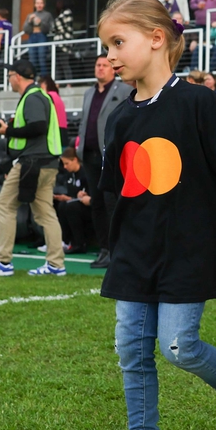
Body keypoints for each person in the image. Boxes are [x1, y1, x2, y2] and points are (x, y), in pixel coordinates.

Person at [86, 0, 216, 430]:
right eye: (106, 46)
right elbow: (117, 191)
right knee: (131, 349)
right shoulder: (120, 117)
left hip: (188, 250)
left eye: (118, 42)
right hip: (133, 254)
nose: (110, 56)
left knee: (179, 347)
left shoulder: (197, 101)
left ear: (156, 38)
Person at [0, 59, 66, 277]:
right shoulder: (39, 95)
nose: (9, 80)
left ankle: (2, 261)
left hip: (33, 163)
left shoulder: (32, 97)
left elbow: (38, 126)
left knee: (4, 205)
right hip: (46, 162)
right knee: (45, 213)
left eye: (10, 76)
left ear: (18, 77)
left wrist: (8, 131)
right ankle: (56, 264)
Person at [76, 54, 128, 269]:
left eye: (105, 65)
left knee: (111, 202)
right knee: (96, 203)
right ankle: (104, 249)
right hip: (89, 155)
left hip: (110, 155)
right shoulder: (88, 93)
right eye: (98, 64)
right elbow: (84, 121)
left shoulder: (123, 90)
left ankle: (117, 250)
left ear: (112, 68)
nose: (100, 68)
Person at [54, 147, 93, 254]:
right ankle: (65, 241)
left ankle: (80, 243)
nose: (65, 167)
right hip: (74, 203)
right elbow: (72, 194)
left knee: (71, 207)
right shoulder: (69, 175)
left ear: (75, 160)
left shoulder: (86, 173)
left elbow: (90, 194)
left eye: (67, 163)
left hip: (88, 207)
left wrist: (82, 195)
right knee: (62, 205)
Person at [21, 0, 56, 80]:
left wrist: (41, 23)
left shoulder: (47, 15)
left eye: (41, 3)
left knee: (42, 58)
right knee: (32, 59)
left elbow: (50, 28)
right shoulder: (30, 15)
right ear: (34, 5)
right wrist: (29, 21)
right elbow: (25, 29)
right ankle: (33, 78)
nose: (39, 5)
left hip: (42, 36)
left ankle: (44, 78)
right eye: (37, 3)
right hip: (32, 36)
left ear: (44, 4)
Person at [39, 76, 68, 144]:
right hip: (63, 130)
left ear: (44, 84)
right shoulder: (56, 96)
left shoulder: (48, 97)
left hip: (55, 131)